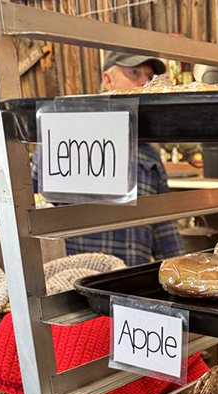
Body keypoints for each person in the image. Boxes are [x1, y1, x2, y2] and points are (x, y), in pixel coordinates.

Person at [44, 52, 184, 266]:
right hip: (71, 284)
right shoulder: (64, 141)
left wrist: (180, 272)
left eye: (148, 76)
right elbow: (36, 211)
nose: (145, 82)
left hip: (127, 286)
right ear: (107, 80)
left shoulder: (148, 154)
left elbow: (164, 229)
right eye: (134, 73)